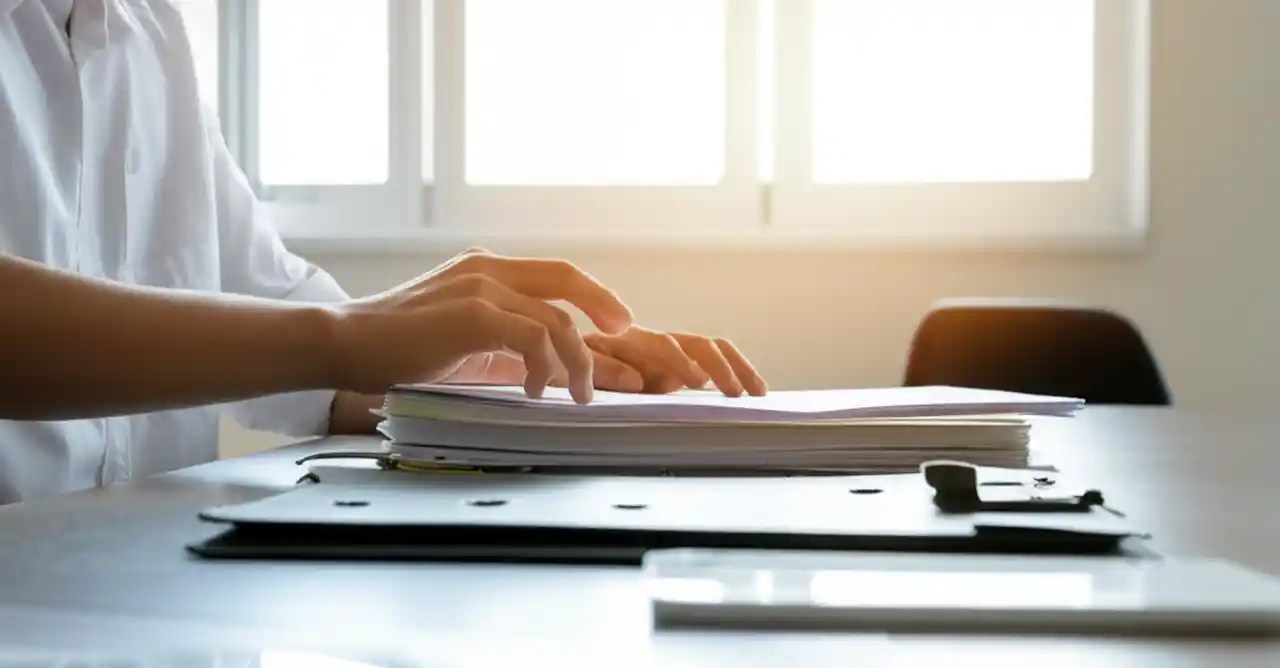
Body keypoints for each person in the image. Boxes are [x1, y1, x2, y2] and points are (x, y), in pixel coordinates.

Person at [0, 0, 766, 503]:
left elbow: (287, 336)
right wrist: (348, 338)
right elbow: (326, 342)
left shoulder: (149, 34)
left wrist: (522, 380)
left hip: (144, 615)